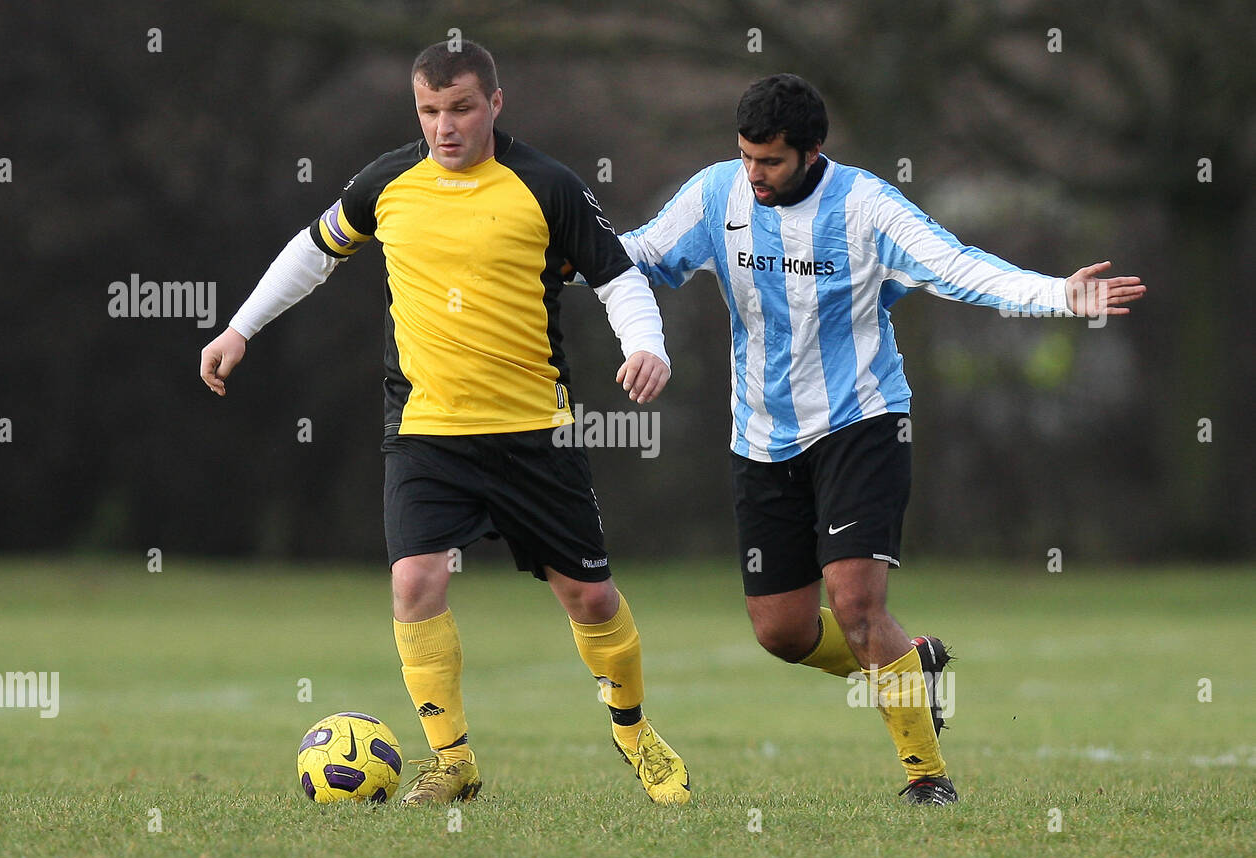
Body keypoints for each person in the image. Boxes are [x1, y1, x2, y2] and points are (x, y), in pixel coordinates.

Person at [618, 73, 1145, 805]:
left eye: (769, 161)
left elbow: (957, 267)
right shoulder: (717, 195)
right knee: (782, 632)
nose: (755, 175)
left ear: (812, 151)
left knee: (857, 604)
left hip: (861, 423)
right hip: (761, 436)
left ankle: (927, 778)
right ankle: (910, 664)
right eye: (745, 157)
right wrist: (550, 255)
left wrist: (1058, 293)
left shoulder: (867, 207)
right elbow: (635, 256)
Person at [199, 40, 690, 806]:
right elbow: (313, 250)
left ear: (495, 103)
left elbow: (617, 274)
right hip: (426, 428)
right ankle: (452, 759)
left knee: (590, 599)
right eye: (429, 111)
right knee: (415, 581)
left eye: (460, 108)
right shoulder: (387, 183)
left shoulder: (547, 185)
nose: (444, 127)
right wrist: (240, 329)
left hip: (535, 430)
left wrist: (646, 346)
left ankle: (633, 731)